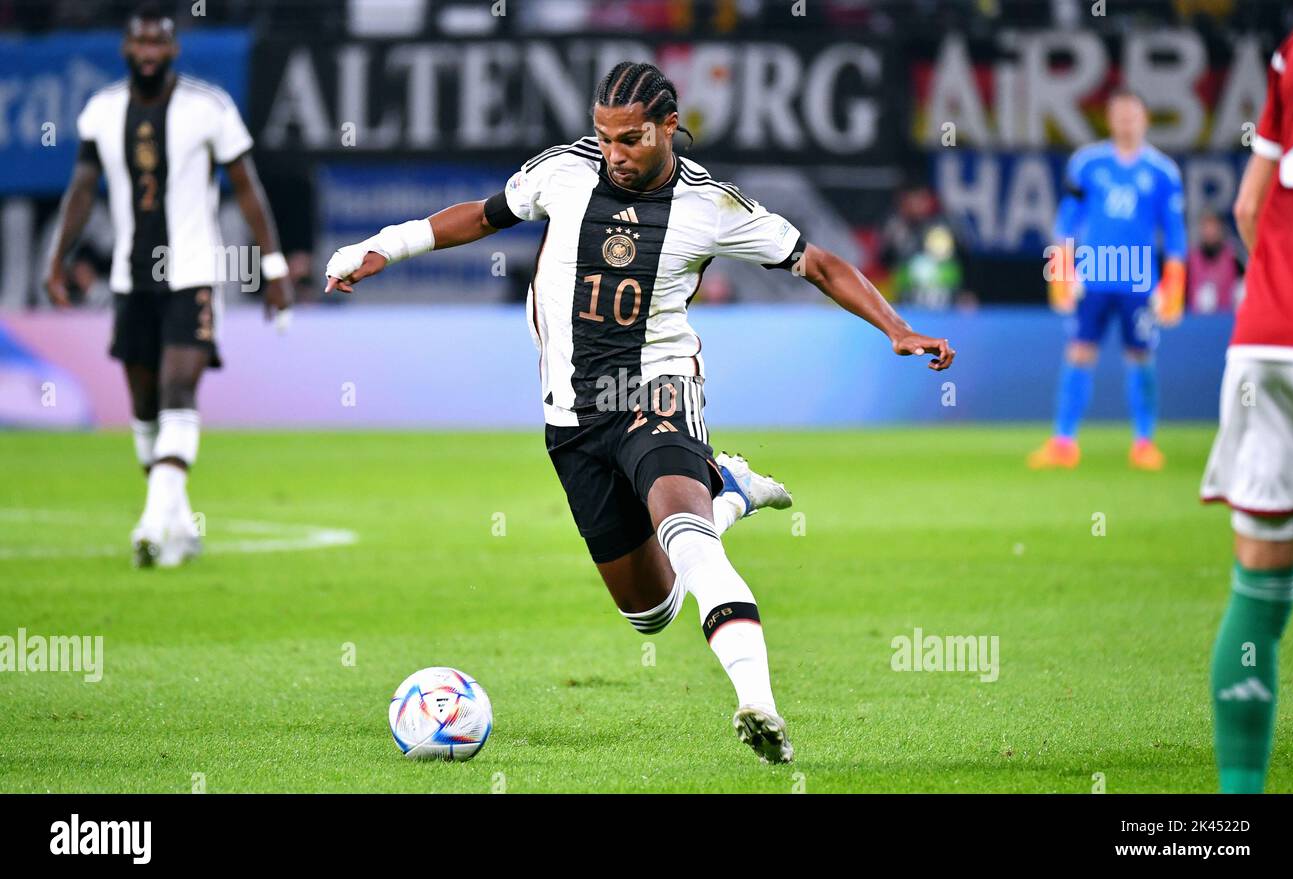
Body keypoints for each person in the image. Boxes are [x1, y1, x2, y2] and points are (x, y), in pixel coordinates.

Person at [325, 61, 955, 763]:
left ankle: (759, 702)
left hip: (656, 393)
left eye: (630, 139)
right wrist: (386, 244)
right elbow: (481, 215)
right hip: (571, 414)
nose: (614, 154)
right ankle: (733, 493)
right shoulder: (564, 172)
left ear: (668, 128)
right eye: (604, 137)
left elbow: (817, 263)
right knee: (649, 612)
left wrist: (896, 327)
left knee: (688, 541)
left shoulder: (710, 205)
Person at [44, 3, 292, 567]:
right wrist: (57, 260)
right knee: (145, 409)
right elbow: (83, 188)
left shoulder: (209, 107)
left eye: (160, 44)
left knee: (180, 388)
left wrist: (272, 268)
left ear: (174, 50)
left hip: (193, 273)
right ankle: (179, 527)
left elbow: (247, 186)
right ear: (127, 49)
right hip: (133, 280)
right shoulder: (102, 111)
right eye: (141, 44)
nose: (150, 53)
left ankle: (152, 524)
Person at [1200, 27, 1293, 793]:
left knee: (1260, 586)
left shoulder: (1292, 51)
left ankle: (1240, 807)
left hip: (1269, 341)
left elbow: (1248, 205)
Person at [1029, 89, 1187, 471]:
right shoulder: (1087, 164)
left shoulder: (1163, 172)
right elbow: (1067, 219)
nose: (1126, 121)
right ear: (1110, 120)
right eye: (1119, 114)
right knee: (1079, 352)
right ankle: (1064, 441)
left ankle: (1144, 442)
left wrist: (1175, 281)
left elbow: (1175, 231)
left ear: (1145, 119)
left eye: (1133, 114)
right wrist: (1061, 271)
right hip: (1094, 277)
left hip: (1137, 279)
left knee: (1141, 356)